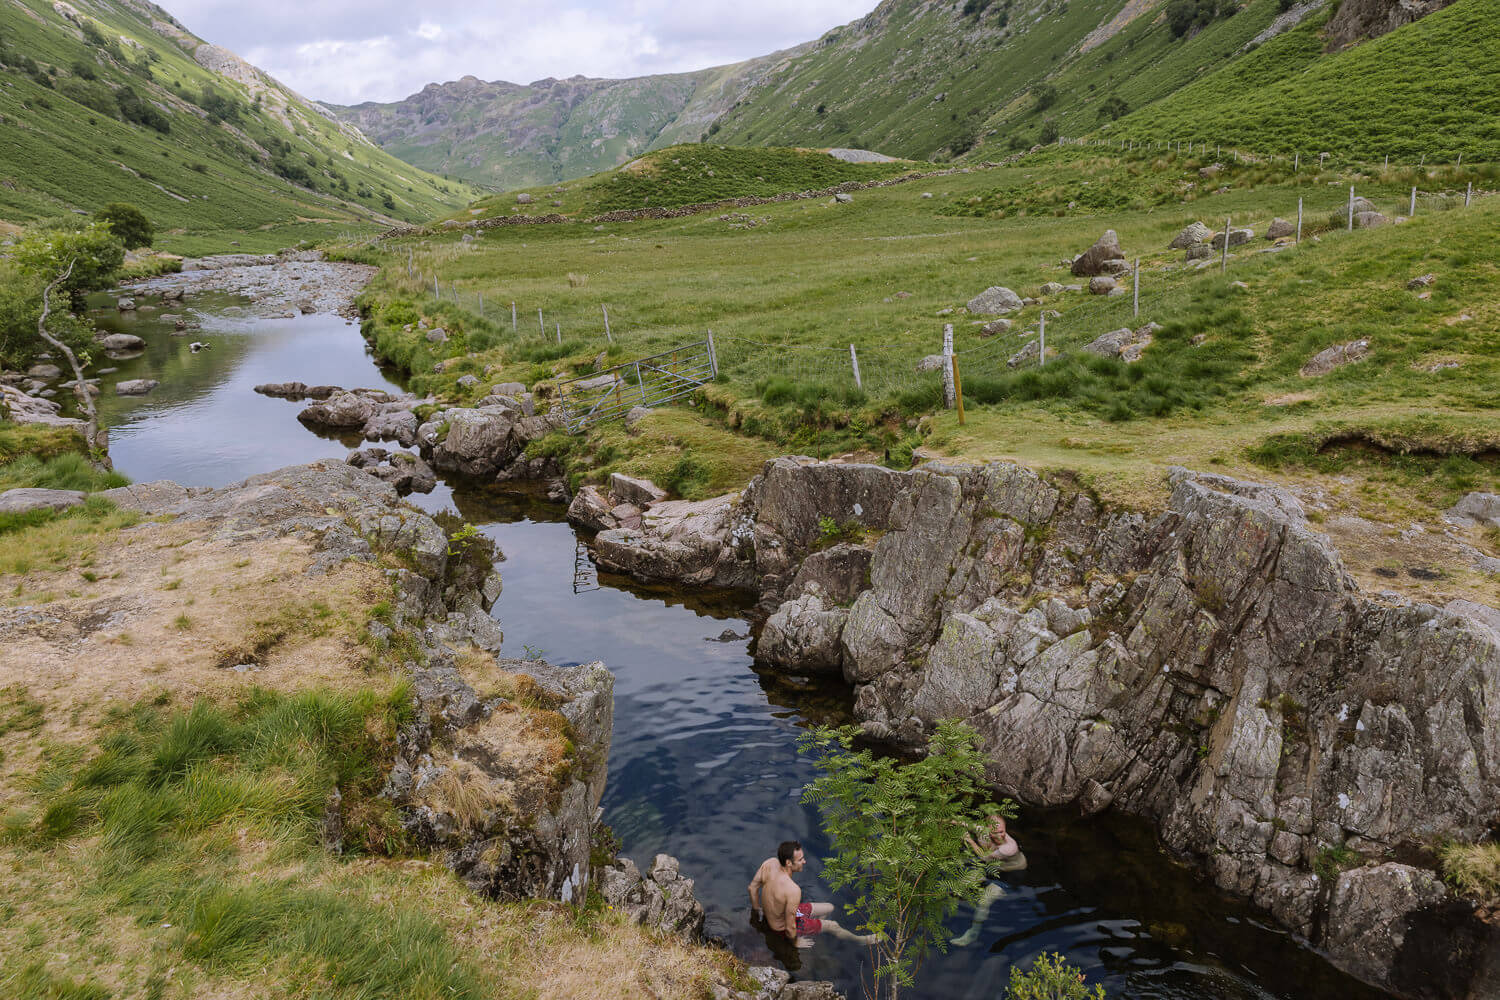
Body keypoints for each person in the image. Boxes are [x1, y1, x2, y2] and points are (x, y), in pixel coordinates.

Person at [752, 840, 879, 948]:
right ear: (789, 863)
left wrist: (758, 910)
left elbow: (752, 888)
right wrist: (795, 942)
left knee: (829, 908)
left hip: (784, 914)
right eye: (800, 859)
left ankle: (814, 927)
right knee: (833, 925)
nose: (805, 862)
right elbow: (790, 927)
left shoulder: (770, 864)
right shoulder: (792, 890)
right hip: (782, 928)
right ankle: (860, 941)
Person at [950, 814, 1027, 947]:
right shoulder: (981, 831)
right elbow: (963, 822)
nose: (999, 836)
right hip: (993, 867)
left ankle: (973, 933)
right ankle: (949, 911)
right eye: (994, 832)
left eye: (1002, 831)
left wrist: (970, 841)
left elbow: (985, 857)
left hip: (1011, 874)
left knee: (984, 900)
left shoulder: (1009, 847)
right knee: (960, 884)